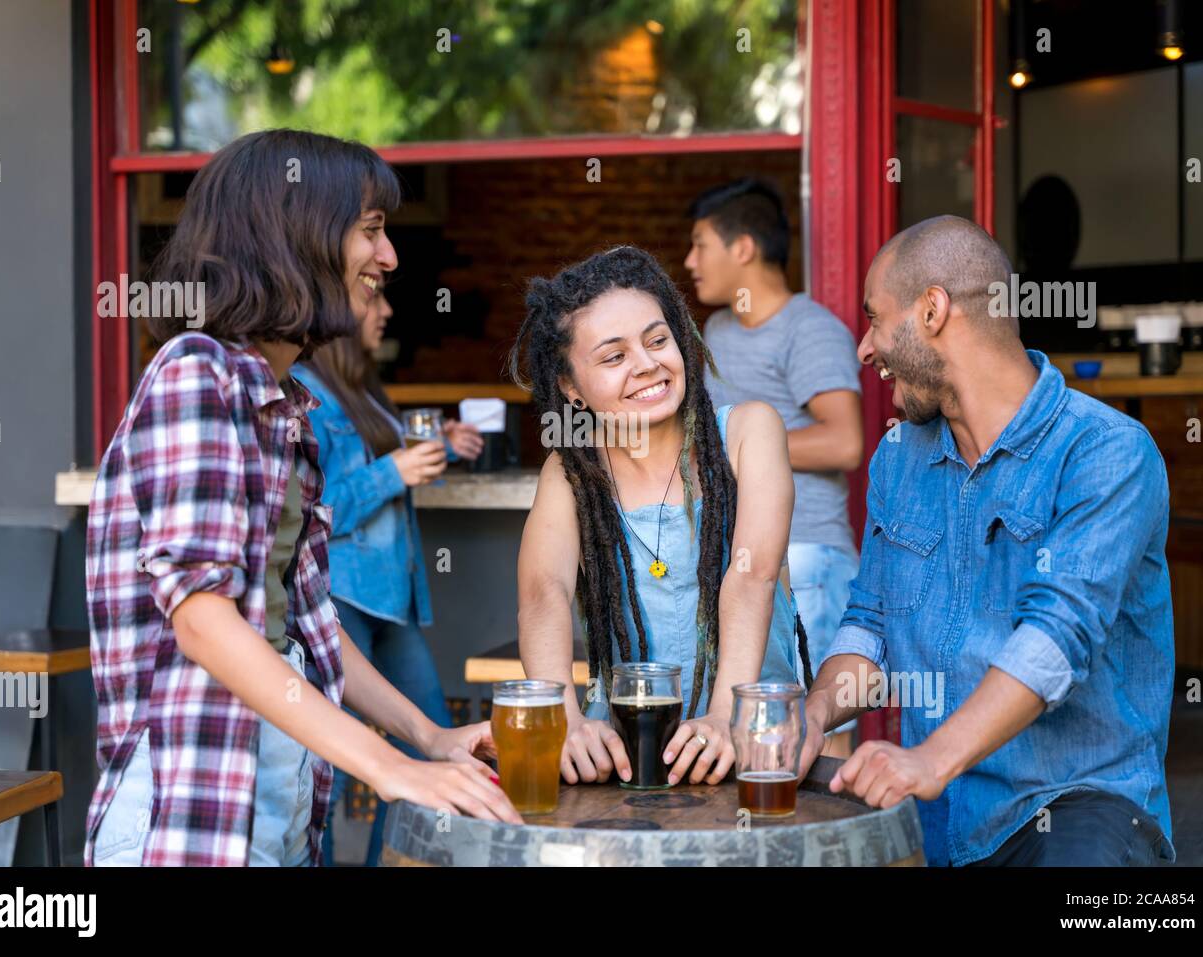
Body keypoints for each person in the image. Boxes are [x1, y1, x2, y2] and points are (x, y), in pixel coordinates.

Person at [84, 129, 520, 867]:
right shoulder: (197, 375)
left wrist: (429, 737)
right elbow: (203, 622)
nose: (390, 258)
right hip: (189, 812)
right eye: (372, 230)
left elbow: (311, 624)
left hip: (278, 795)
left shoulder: (287, 406)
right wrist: (389, 770)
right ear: (294, 236)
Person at [797, 215, 1175, 866]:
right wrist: (814, 714)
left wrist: (928, 759)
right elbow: (870, 626)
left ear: (934, 310)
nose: (865, 348)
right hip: (940, 818)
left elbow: (1057, 637)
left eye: (875, 319)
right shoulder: (898, 457)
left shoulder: (1106, 453)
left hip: (1078, 808)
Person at [511, 245, 810, 788]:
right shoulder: (570, 472)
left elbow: (750, 576)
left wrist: (726, 717)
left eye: (657, 340)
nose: (647, 364)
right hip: (625, 758)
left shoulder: (748, 431)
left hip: (749, 746)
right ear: (571, 389)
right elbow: (542, 591)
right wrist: (565, 720)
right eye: (613, 356)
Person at [294, 279, 484, 865]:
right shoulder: (303, 391)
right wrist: (395, 471)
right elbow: (316, 507)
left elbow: (393, 454)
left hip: (391, 600)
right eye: (374, 298)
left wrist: (442, 445)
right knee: (328, 766)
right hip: (339, 596)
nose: (387, 310)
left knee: (431, 750)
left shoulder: (360, 390)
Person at [686, 178, 864, 758]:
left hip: (808, 552)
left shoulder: (807, 328)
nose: (690, 262)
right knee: (747, 729)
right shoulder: (714, 331)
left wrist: (747, 448)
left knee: (819, 733)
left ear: (743, 248)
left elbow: (844, 441)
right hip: (743, 561)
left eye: (700, 245)